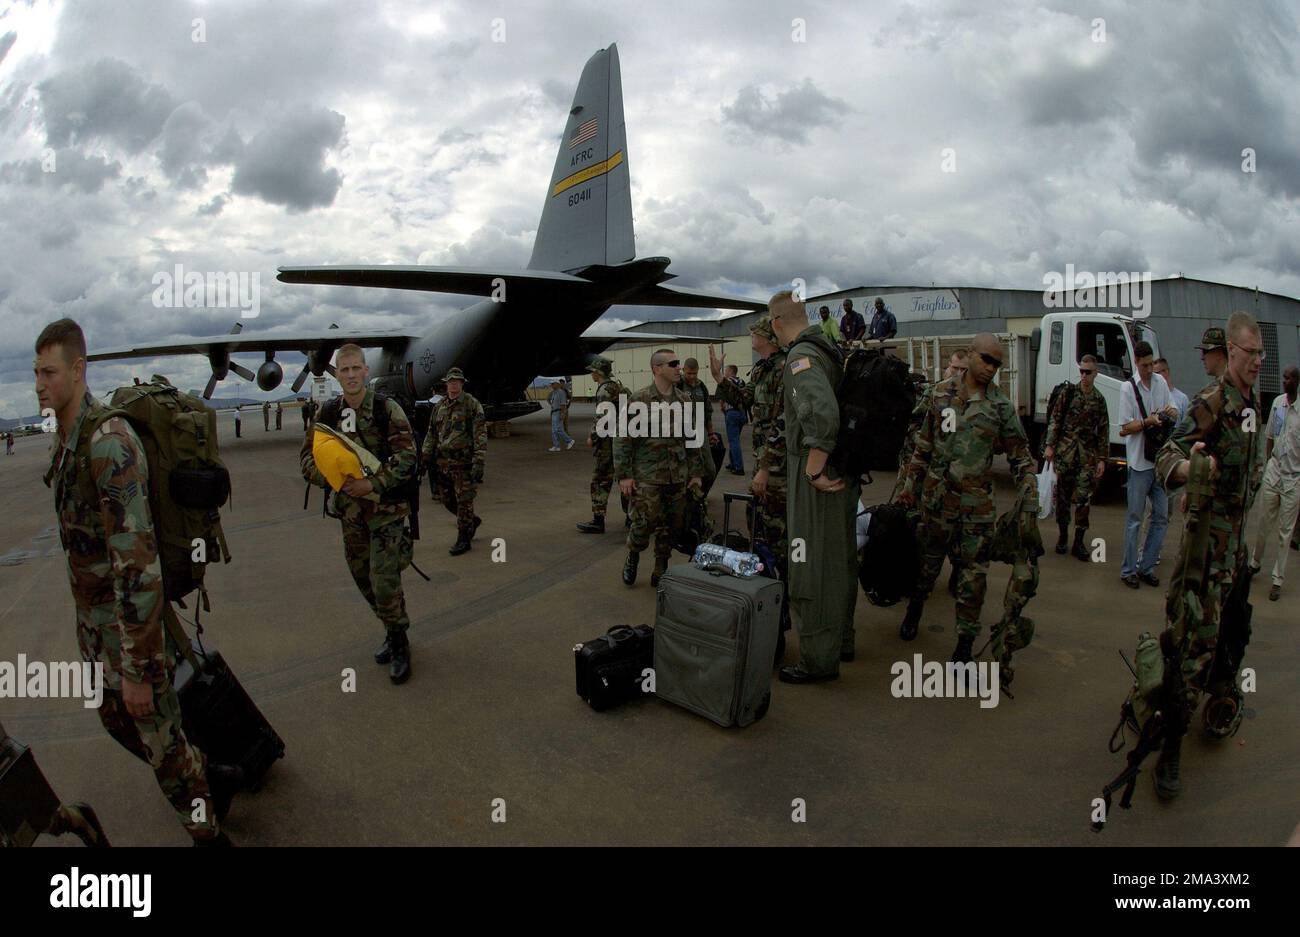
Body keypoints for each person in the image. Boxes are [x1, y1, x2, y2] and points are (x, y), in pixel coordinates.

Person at [35, 317, 231, 845]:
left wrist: (141, 668)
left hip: (130, 635)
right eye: (35, 373)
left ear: (78, 371)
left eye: (49, 372)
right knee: (120, 723)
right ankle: (201, 769)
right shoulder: (67, 442)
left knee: (163, 751)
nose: (39, 384)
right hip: (98, 630)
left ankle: (210, 831)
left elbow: (138, 563)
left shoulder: (108, 443)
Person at [1153, 311, 1268, 799]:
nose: (1257, 362)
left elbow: (1251, 473)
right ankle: (1169, 749)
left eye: (1262, 355)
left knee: (1232, 636)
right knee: (1192, 650)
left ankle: (1220, 701)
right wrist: (1189, 471)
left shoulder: (1250, 404)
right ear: (1232, 354)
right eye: (1250, 354)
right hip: (1204, 557)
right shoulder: (1213, 401)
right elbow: (1167, 455)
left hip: (1234, 554)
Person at [897, 333, 1037, 662]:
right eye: (986, 359)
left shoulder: (1000, 406)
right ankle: (916, 606)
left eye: (997, 364)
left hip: (977, 508)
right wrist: (909, 486)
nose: (991, 368)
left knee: (974, 578)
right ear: (971, 355)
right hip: (937, 502)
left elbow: (1020, 456)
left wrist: (1028, 484)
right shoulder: (939, 394)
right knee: (926, 568)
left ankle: (964, 644)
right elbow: (924, 446)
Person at [301, 344, 418, 684]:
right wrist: (336, 480)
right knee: (362, 579)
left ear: (366, 371)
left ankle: (399, 641)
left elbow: (408, 457)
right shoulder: (327, 414)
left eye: (356, 369)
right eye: (344, 370)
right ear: (336, 374)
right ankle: (389, 626)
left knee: (384, 582)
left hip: (386, 514)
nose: (351, 375)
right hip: (351, 516)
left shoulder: (386, 409)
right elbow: (307, 459)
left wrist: (372, 484)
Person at [768, 292, 860, 683]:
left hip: (816, 476)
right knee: (838, 560)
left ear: (775, 322)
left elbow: (821, 416)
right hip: (843, 471)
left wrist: (813, 472)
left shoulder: (799, 357)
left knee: (810, 565)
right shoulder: (828, 346)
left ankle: (818, 661)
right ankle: (841, 640)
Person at [614, 349, 707, 587]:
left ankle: (660, 568)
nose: (678, 368)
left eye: (678, 363)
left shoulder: (685, 400)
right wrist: (624, 475)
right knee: (643, 523)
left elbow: (693, 439)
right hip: (648, 476)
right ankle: (633, 555)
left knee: (670, 526)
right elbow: (623, 438)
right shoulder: (639, 399)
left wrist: (696, 473)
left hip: (677, 475)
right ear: (657, 369)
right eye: (673, 364)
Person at [709, 316, 789, 571]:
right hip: (763, 458)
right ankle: (768, 570)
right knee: (757, 516)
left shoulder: (784, 368)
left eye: (754, 332)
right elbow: (743, 400)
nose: (751, 336)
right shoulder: (761, 368)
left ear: (767, 337)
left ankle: (785, 577)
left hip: (779, 461)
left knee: (777, 522)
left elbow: (783, 421)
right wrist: (719, 378)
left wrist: (766, 467)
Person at [1118, 340, 1177, 588]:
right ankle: (1128, 570)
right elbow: (1124, 429)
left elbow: (1172, 409)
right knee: (1134, 518)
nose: (1149, 369)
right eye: (1144, 365)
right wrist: (1148, 422)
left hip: (1159, 462)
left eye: (1152, 364)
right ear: (1136, 363)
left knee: (1161, 517)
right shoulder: (1127, 389)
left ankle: (1147, 566)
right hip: (1139, 463)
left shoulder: (1160, 383)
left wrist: (1168, 414)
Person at [1042, 354, 1109, 560]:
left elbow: (1103, 431)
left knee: (1083, 499)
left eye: (1088, 372)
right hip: (1066, 454)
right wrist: (1050, 445)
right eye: (1081, 371)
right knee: (1062, 499)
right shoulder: (1069, 393)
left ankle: (1078, 542)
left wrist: (1101, 460)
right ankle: (1063, 537)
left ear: (1096, 373)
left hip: (1086, 457)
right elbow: (1055, 418)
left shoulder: (1099, 400)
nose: (1084, 375)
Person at [421, 367, 486, 556]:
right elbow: (431, 433)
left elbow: (480, 434)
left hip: (463, 462)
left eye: (457, 382)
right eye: (451, 382)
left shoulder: (471, 404)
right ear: (446, 384)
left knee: (464, 500)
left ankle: (463, 538)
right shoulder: (439, 406)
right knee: (447, 500)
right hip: (443, 462)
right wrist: (425, 456)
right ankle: (471, 521)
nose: (454, 385)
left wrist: (479, 460)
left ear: (462, 384)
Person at [1250, 365, 1300, 601]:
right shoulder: (1278, 404)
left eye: (1288, 378)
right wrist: (1269, 461)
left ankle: (1277, 579)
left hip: (1294, 480)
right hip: (1274, 473)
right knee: (1263, 523)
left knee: (1285, 533)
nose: (1284, 381)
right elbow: (1269, 435)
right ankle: (1254, 562)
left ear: (1297, 382)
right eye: (1283, 377)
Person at [576, 356, 628, 534]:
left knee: (599, 480)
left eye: (592, 371)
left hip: (608, 442)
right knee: (624, 477)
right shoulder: (616, 386)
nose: (591, 374)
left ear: (597, 372)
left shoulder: (604, 391)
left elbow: (603, 418)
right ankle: (631, 518)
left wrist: (593, 437)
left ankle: (598, 520)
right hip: (622, 440)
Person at [677, 357, 719, 485]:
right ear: (683, 370)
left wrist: (711, 433)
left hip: (700, 430)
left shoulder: (701, 387)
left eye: (694, 373)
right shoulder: (677, 385)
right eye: (689, 373)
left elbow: (708, 411)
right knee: (686, 467)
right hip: (682, 432)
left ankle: (701, 495)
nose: (692, 376)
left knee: (709, 468)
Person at [718, 364, 748, 475]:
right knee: (735, 438)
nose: (725, 371)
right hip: (742, 413)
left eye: (726, 369)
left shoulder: (726, 381)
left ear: (730, 371)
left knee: (733, 440)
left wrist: (723, 408)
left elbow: (722, 397)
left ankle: (738, 467)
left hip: (731, 412)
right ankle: (732, 462)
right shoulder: (741, 381)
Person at [547, 379, 575, 452]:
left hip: (558, 412)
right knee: (554, 430)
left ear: (557, 384)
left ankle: (569, 441)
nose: (551, 385)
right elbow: (549, 400)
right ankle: (556, 446)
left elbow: (563, 404)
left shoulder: (561, 392)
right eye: (551, 384)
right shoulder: (554, 392)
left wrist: (563, 413)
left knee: (558, 429)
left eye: (553, 384)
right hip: (554, 412)